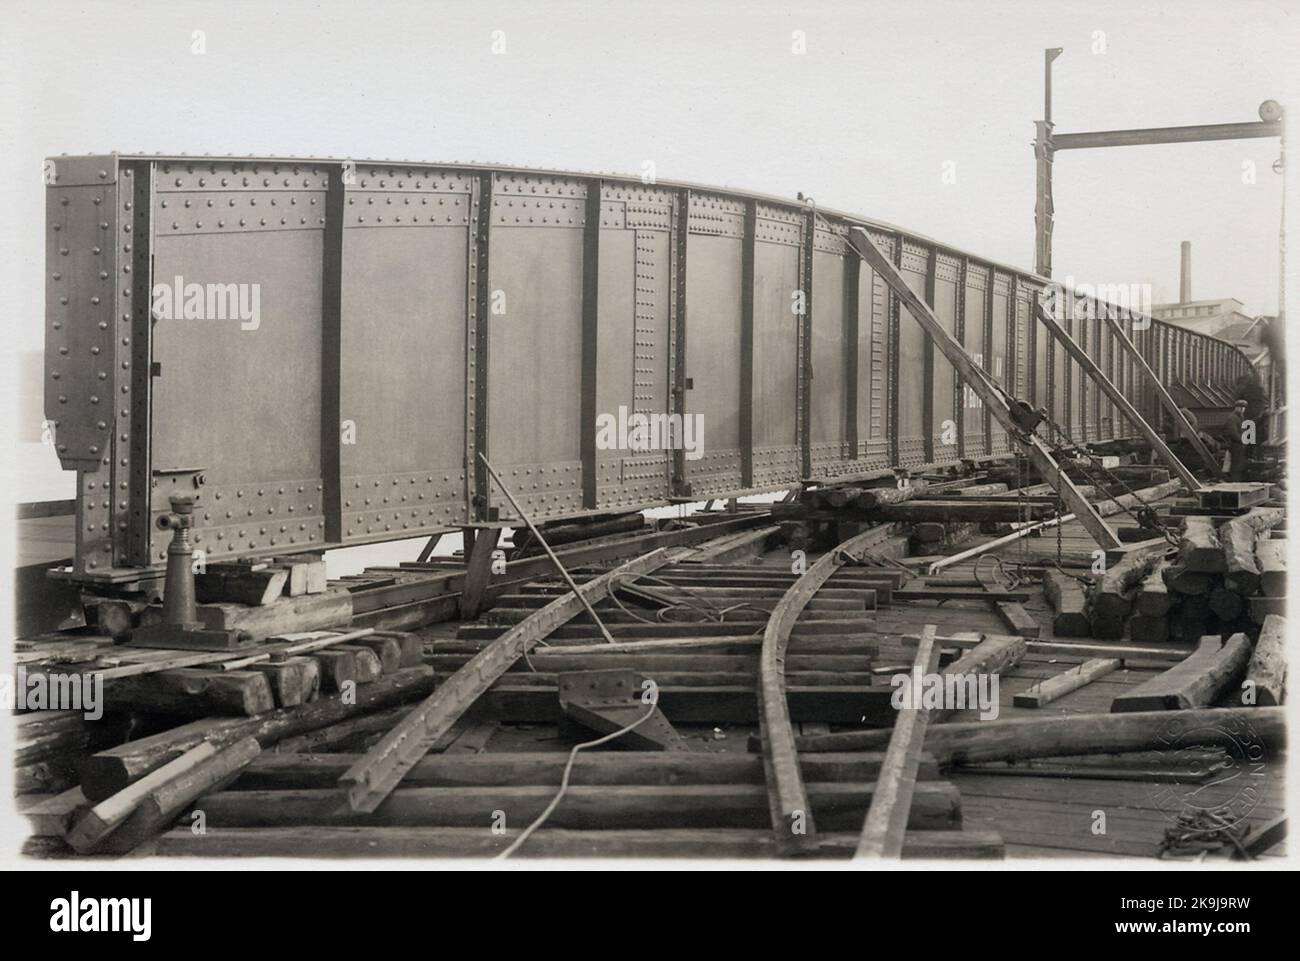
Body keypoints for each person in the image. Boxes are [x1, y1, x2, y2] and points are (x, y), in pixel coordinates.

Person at [1222, 398, 1250, 480]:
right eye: (1241, 407)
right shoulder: (1232, 418)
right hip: (1235, 445)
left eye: (1243, 408)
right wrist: (1242, 441)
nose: (1242, 409)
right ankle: (1235, 482)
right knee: (1236, 466)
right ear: (1236, 407)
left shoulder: (1240, 417)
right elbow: (1232, 433)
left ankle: (1236, 481)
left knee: (1239, 465)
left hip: (1239, 445)